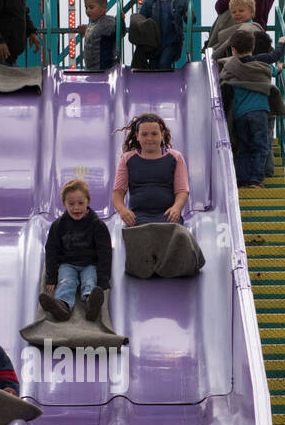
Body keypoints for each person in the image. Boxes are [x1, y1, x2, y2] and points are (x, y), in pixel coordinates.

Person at [220, 30, 285, 187]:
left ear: (233, 50)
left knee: (244, 147)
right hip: (258, 112)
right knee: (260, 146)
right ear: (253, 47)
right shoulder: (261, 64)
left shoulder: (230, 67)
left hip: (239, 115)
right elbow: (274, 59)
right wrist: (281, 43)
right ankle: (255, 179)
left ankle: (242, 179)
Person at [39, 179, 112, 322]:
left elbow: (105, 252)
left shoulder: (97, 225)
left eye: (80, 203)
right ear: (64, 204)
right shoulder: (59, 225)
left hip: (89, 263)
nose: (76, 208)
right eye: (71, 204)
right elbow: (52, 250)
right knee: (66, 282)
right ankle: (63, 307)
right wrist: (52, 276)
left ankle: (91, 305)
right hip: (67, 263)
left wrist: (103, 279)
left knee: (90, 281)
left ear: (88, 201)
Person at [112, 113, 190, 227]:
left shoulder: (175, 157)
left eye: (154, 134)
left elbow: (182, 191)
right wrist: (122, 210)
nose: (149, 139)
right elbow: (117, 193)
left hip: (168, 216)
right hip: (137, 217)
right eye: (144, 134)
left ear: (162, 135)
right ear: (137, 136)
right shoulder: (127, 159)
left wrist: (176, 208)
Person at [137, 0, 189, 70]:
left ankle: (166, 85)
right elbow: (141, 20)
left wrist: (189, 15)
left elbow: (190, 20)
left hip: (172, 42)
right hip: (154, 43)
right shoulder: (149, 0)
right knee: (153, 67)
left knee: (164, 64)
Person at [208, 0, 272, 59]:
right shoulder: (238, 28)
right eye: (233, 12)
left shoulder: (249, 29)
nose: (237, 14)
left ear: (252, 12)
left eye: (241, 11)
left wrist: (211, 57)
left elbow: (224, 46)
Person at [76, 0, 117, 71]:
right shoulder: (93, 24)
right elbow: (95, 34)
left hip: (103, 70)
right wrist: (86, 31)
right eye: (86, 8)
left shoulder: (107, 22)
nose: (87, 11)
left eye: (91, 7)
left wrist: (120, 22)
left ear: (103, 6)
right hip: (92, 70)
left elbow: (115, 30)